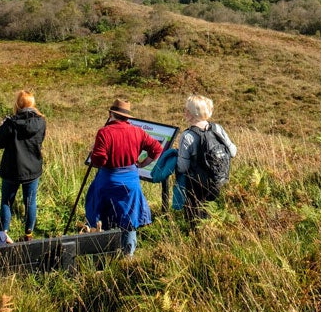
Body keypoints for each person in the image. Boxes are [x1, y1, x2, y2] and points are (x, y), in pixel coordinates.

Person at [84, 99, 163, 257]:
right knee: (129, 217)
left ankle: (103, 251)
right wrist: (142, 163)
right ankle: (128, 256)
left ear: (110, 114)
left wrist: (93, 152)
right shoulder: (137, 132)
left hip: (108, 179)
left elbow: (99, 161)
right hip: (130, 181)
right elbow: (157, 149)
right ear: (127, 117)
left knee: (101, 213)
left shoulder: (104, 132)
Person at [176, 94, 237, 223]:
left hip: (196, 187)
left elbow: (183, 167)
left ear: (191, 113)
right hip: (220, 182)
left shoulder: (187, 136)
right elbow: (233, 152)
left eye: (186, 109)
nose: (184, 112)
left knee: (196, 221)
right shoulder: (218, 129)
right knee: (217, 218)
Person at [0, 90, 46, 241]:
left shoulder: (11, 123)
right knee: (30, 202)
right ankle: (28, 234)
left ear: (17, 104)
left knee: (7, 202)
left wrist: (2, 126)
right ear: (32, 103)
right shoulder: (41, 122)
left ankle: (3, 235)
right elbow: (40, 141)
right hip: (32, 168)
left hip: (11, 169)